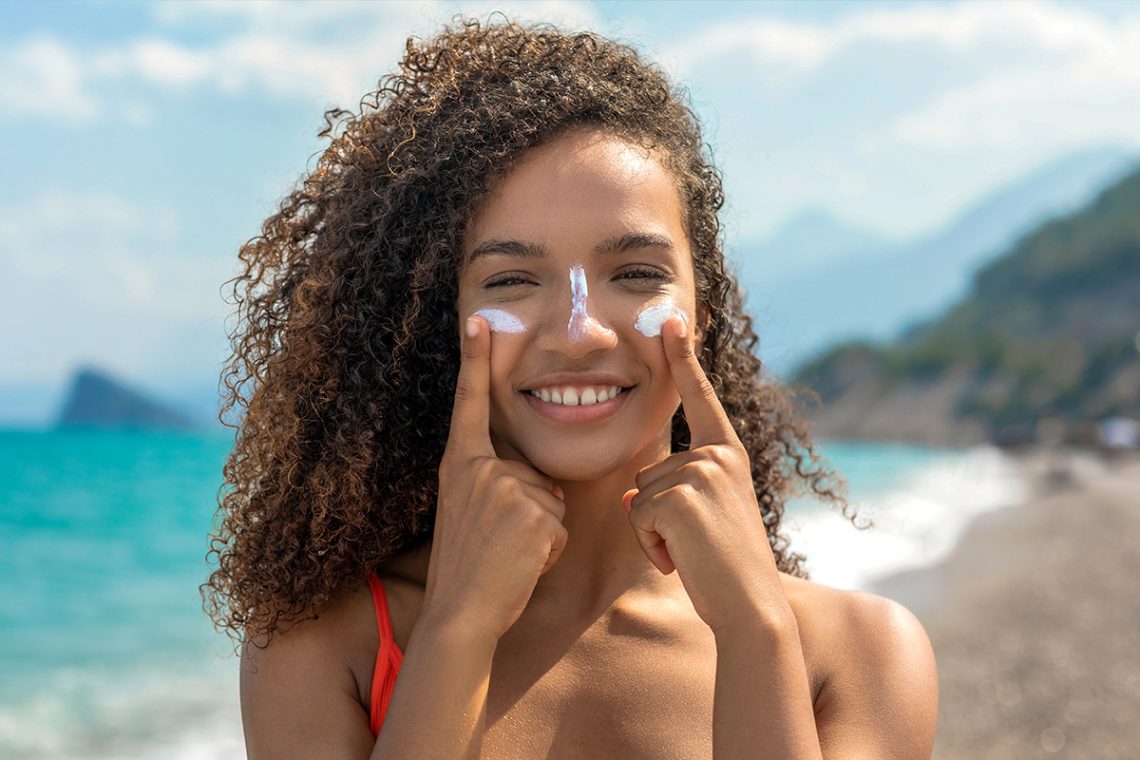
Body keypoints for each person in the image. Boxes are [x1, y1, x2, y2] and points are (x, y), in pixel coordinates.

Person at [203, 19, 938, 759]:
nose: (580, 332)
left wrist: (754, 628)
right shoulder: (325, 647)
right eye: (512, 280)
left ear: (701, 316)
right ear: (438, 324)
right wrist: (459, 627)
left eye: (637, 272)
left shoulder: (859, 655)